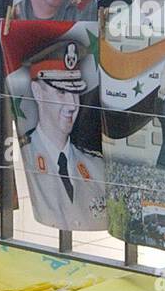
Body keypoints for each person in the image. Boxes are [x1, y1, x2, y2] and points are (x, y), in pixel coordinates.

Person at [22, 42, 105, 231]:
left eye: (75, 93)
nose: (72, 105)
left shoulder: (96, 165)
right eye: (61, 92)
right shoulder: (24, 153)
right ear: (37, 92)